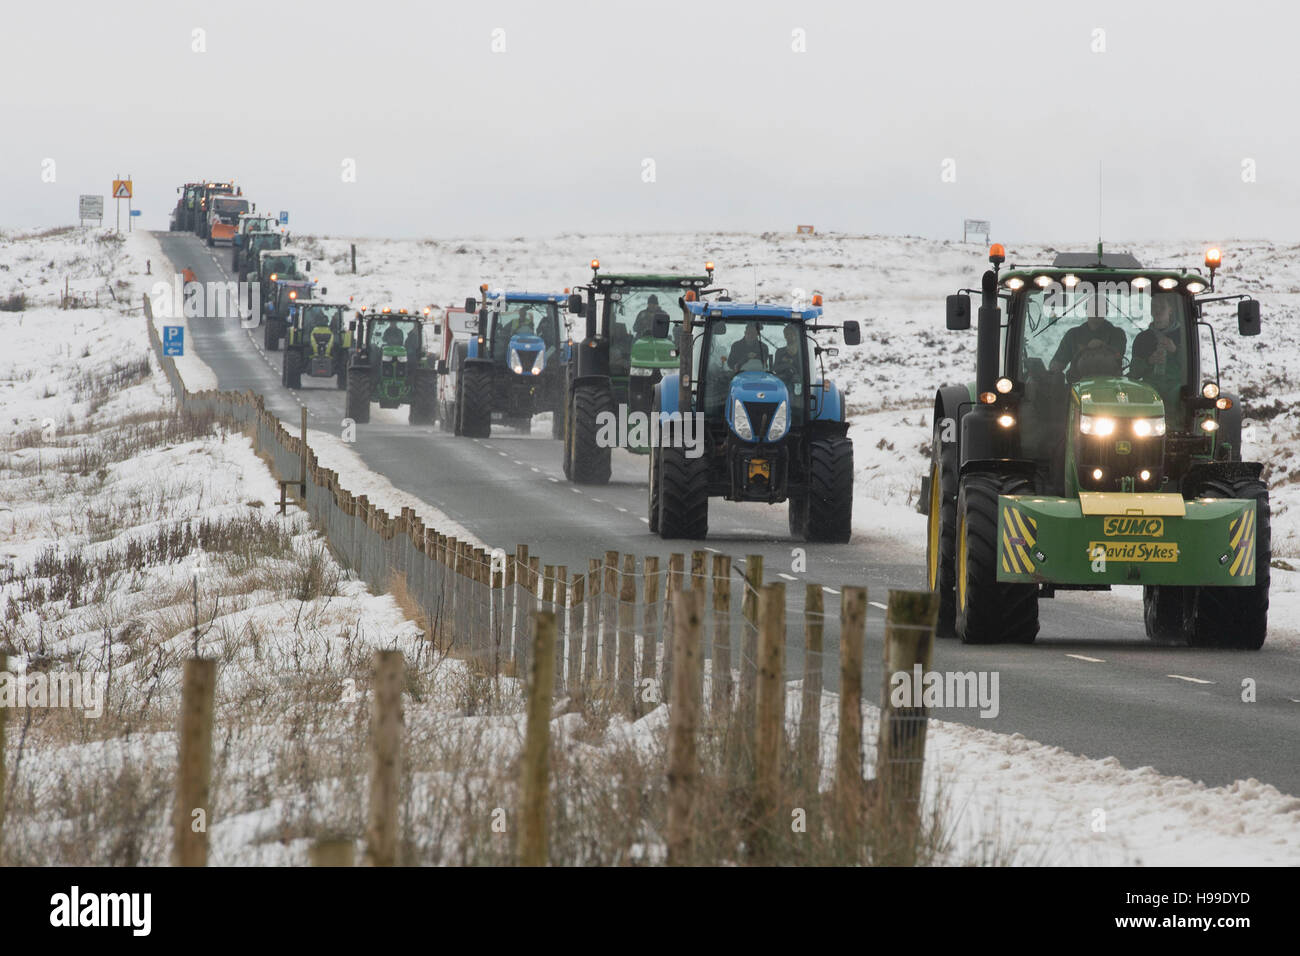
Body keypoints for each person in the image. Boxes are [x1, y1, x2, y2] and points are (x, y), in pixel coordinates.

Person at [1048, 292, 1126, 381]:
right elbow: (1059, 361)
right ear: (1086, 310)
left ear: (1106, 311)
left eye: (1100, 308)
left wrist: (1101, 346)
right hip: (1077, 384)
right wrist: (1054, 369)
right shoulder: (1073, 334)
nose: (1096, 311)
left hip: (1111, 384)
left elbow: (1118, 356)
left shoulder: (1117, 334)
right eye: (1093, 308)